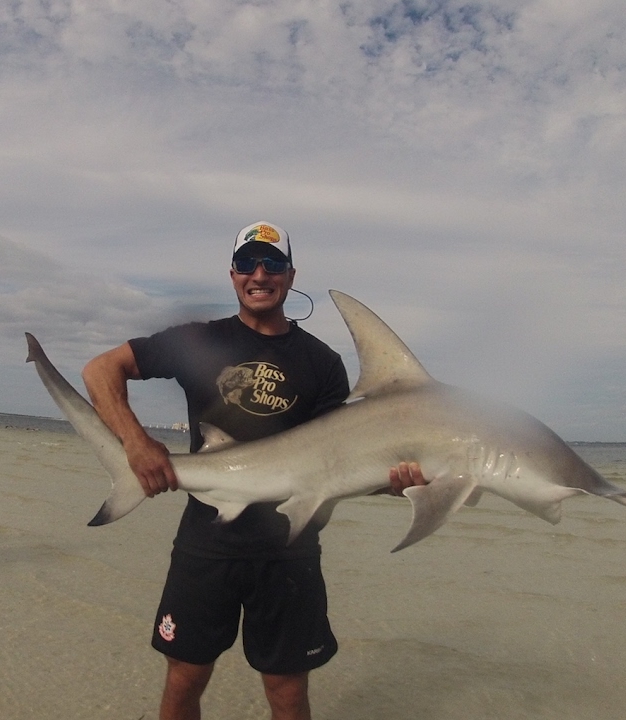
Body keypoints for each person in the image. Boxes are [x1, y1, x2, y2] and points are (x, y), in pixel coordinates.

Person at [82, 221, 425, 720]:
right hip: (207, 544)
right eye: (247, 263)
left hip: (289, 551)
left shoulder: (323, 363)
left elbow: (335, 465)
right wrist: (136, 444)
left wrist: (390, 482)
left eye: (273, 263)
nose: (259, 274)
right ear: (232, 274)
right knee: (184, 679)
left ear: (290, 275)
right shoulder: (198, 341)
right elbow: (100, 369)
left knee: (287, 693)